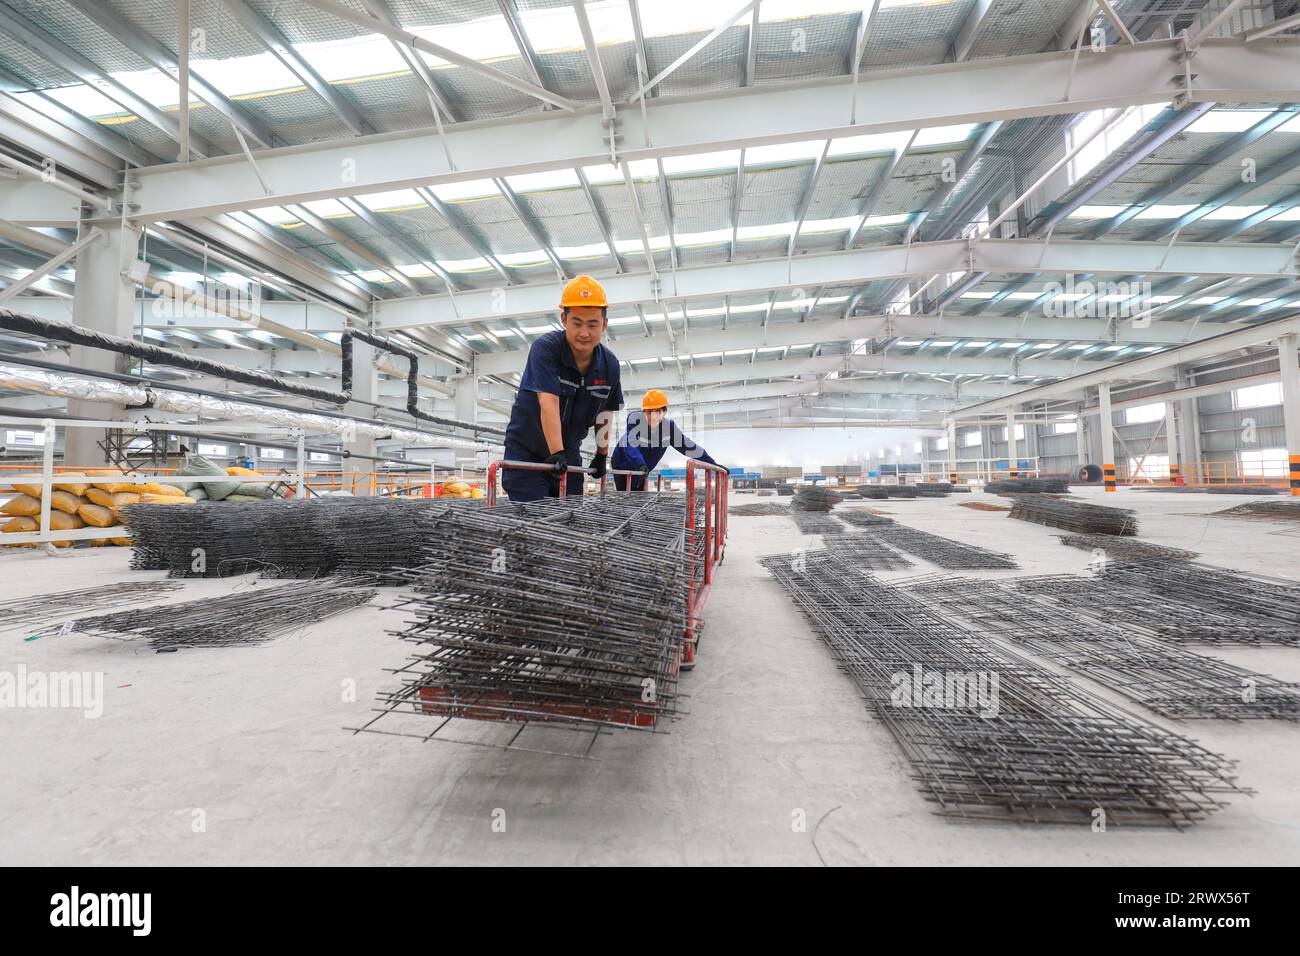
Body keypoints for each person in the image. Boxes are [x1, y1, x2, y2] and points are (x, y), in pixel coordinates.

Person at [502, 275, 623, 502]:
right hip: (527, 455)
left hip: (569, 455)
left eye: (592, 324)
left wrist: (601, 455)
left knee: (571, 519)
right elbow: (549, 403)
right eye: (577, 323)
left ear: (604, 324)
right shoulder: (545, 350)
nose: (584, 333)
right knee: (537, 519)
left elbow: (605, 413)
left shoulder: (610, 365)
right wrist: (555, 453)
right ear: (564, 320)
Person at [611, 389, 722, 491]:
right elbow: (630, 445)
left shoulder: (668, 429)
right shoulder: (635, 421)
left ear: (664, 412)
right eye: (649, 412)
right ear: (643, 412)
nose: (653, 417)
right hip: (622, 462)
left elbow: (689, 447)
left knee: (637, 496)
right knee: (625, 496)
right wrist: (640, 464)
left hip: (643, 467)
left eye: (658, 412)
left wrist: (713, 463)